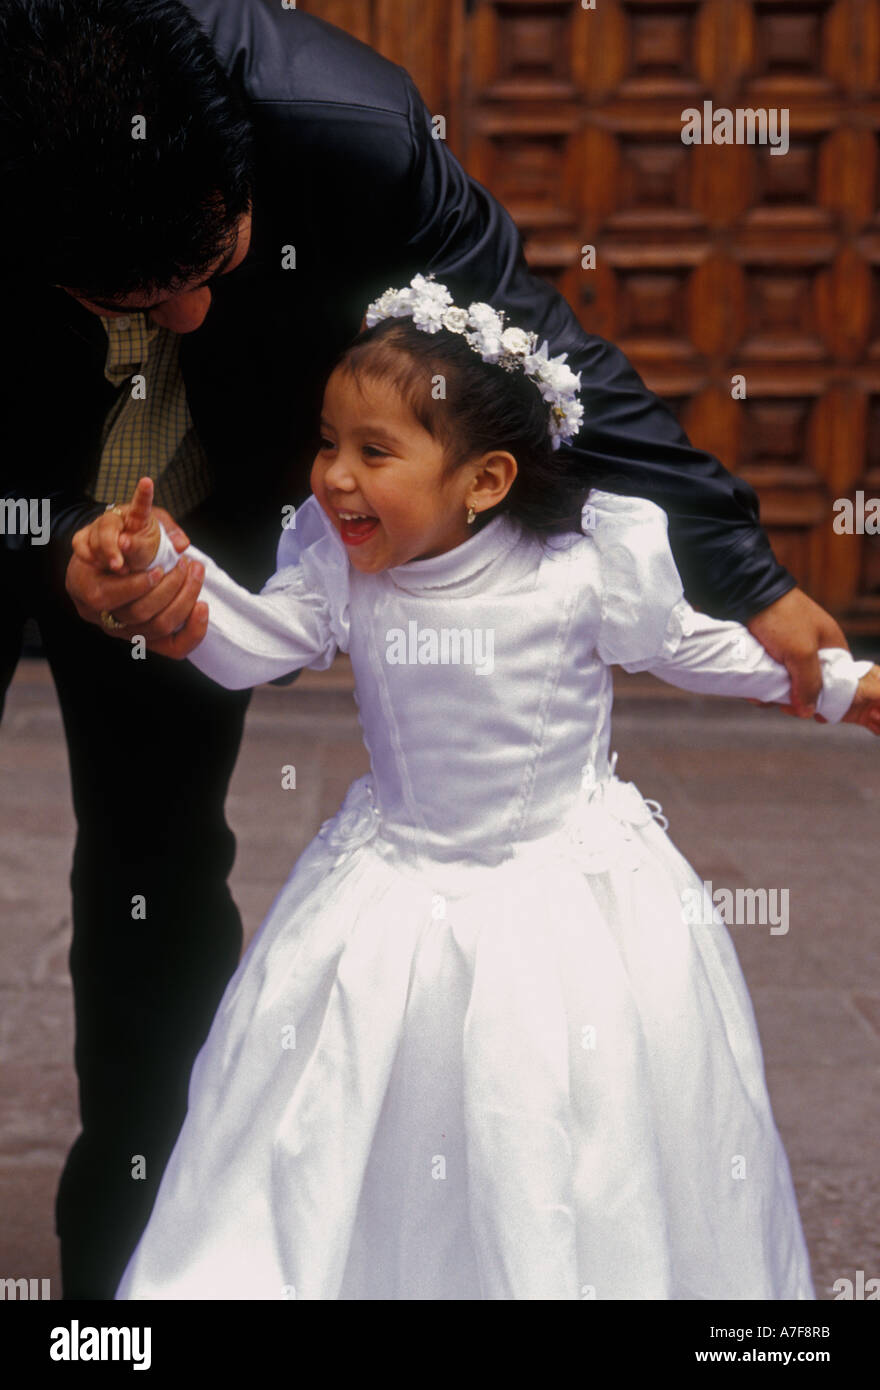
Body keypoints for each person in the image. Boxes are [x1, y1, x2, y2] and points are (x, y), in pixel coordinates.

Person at [0, 0, 851, 1296]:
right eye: (134, 295)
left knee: (155, 870)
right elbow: (271, 626)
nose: (184, 316)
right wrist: (59, 539)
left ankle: (125, 1282)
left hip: (199, 518)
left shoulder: (347, 125)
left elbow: (541, 343)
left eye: (212, 268)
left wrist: (752, 582)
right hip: (39, 479)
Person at [76, 276, 880, 1300]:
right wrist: (162, 572)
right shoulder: (341, 572)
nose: (334, 478)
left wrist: (838, 687)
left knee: (552, 1118)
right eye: (328, 443)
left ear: (485, 478)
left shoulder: (582, 570)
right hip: (392, 890)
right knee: (344, 1112)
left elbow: (695, 647)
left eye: (375, 452)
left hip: (567, 897)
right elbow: (247, 644)